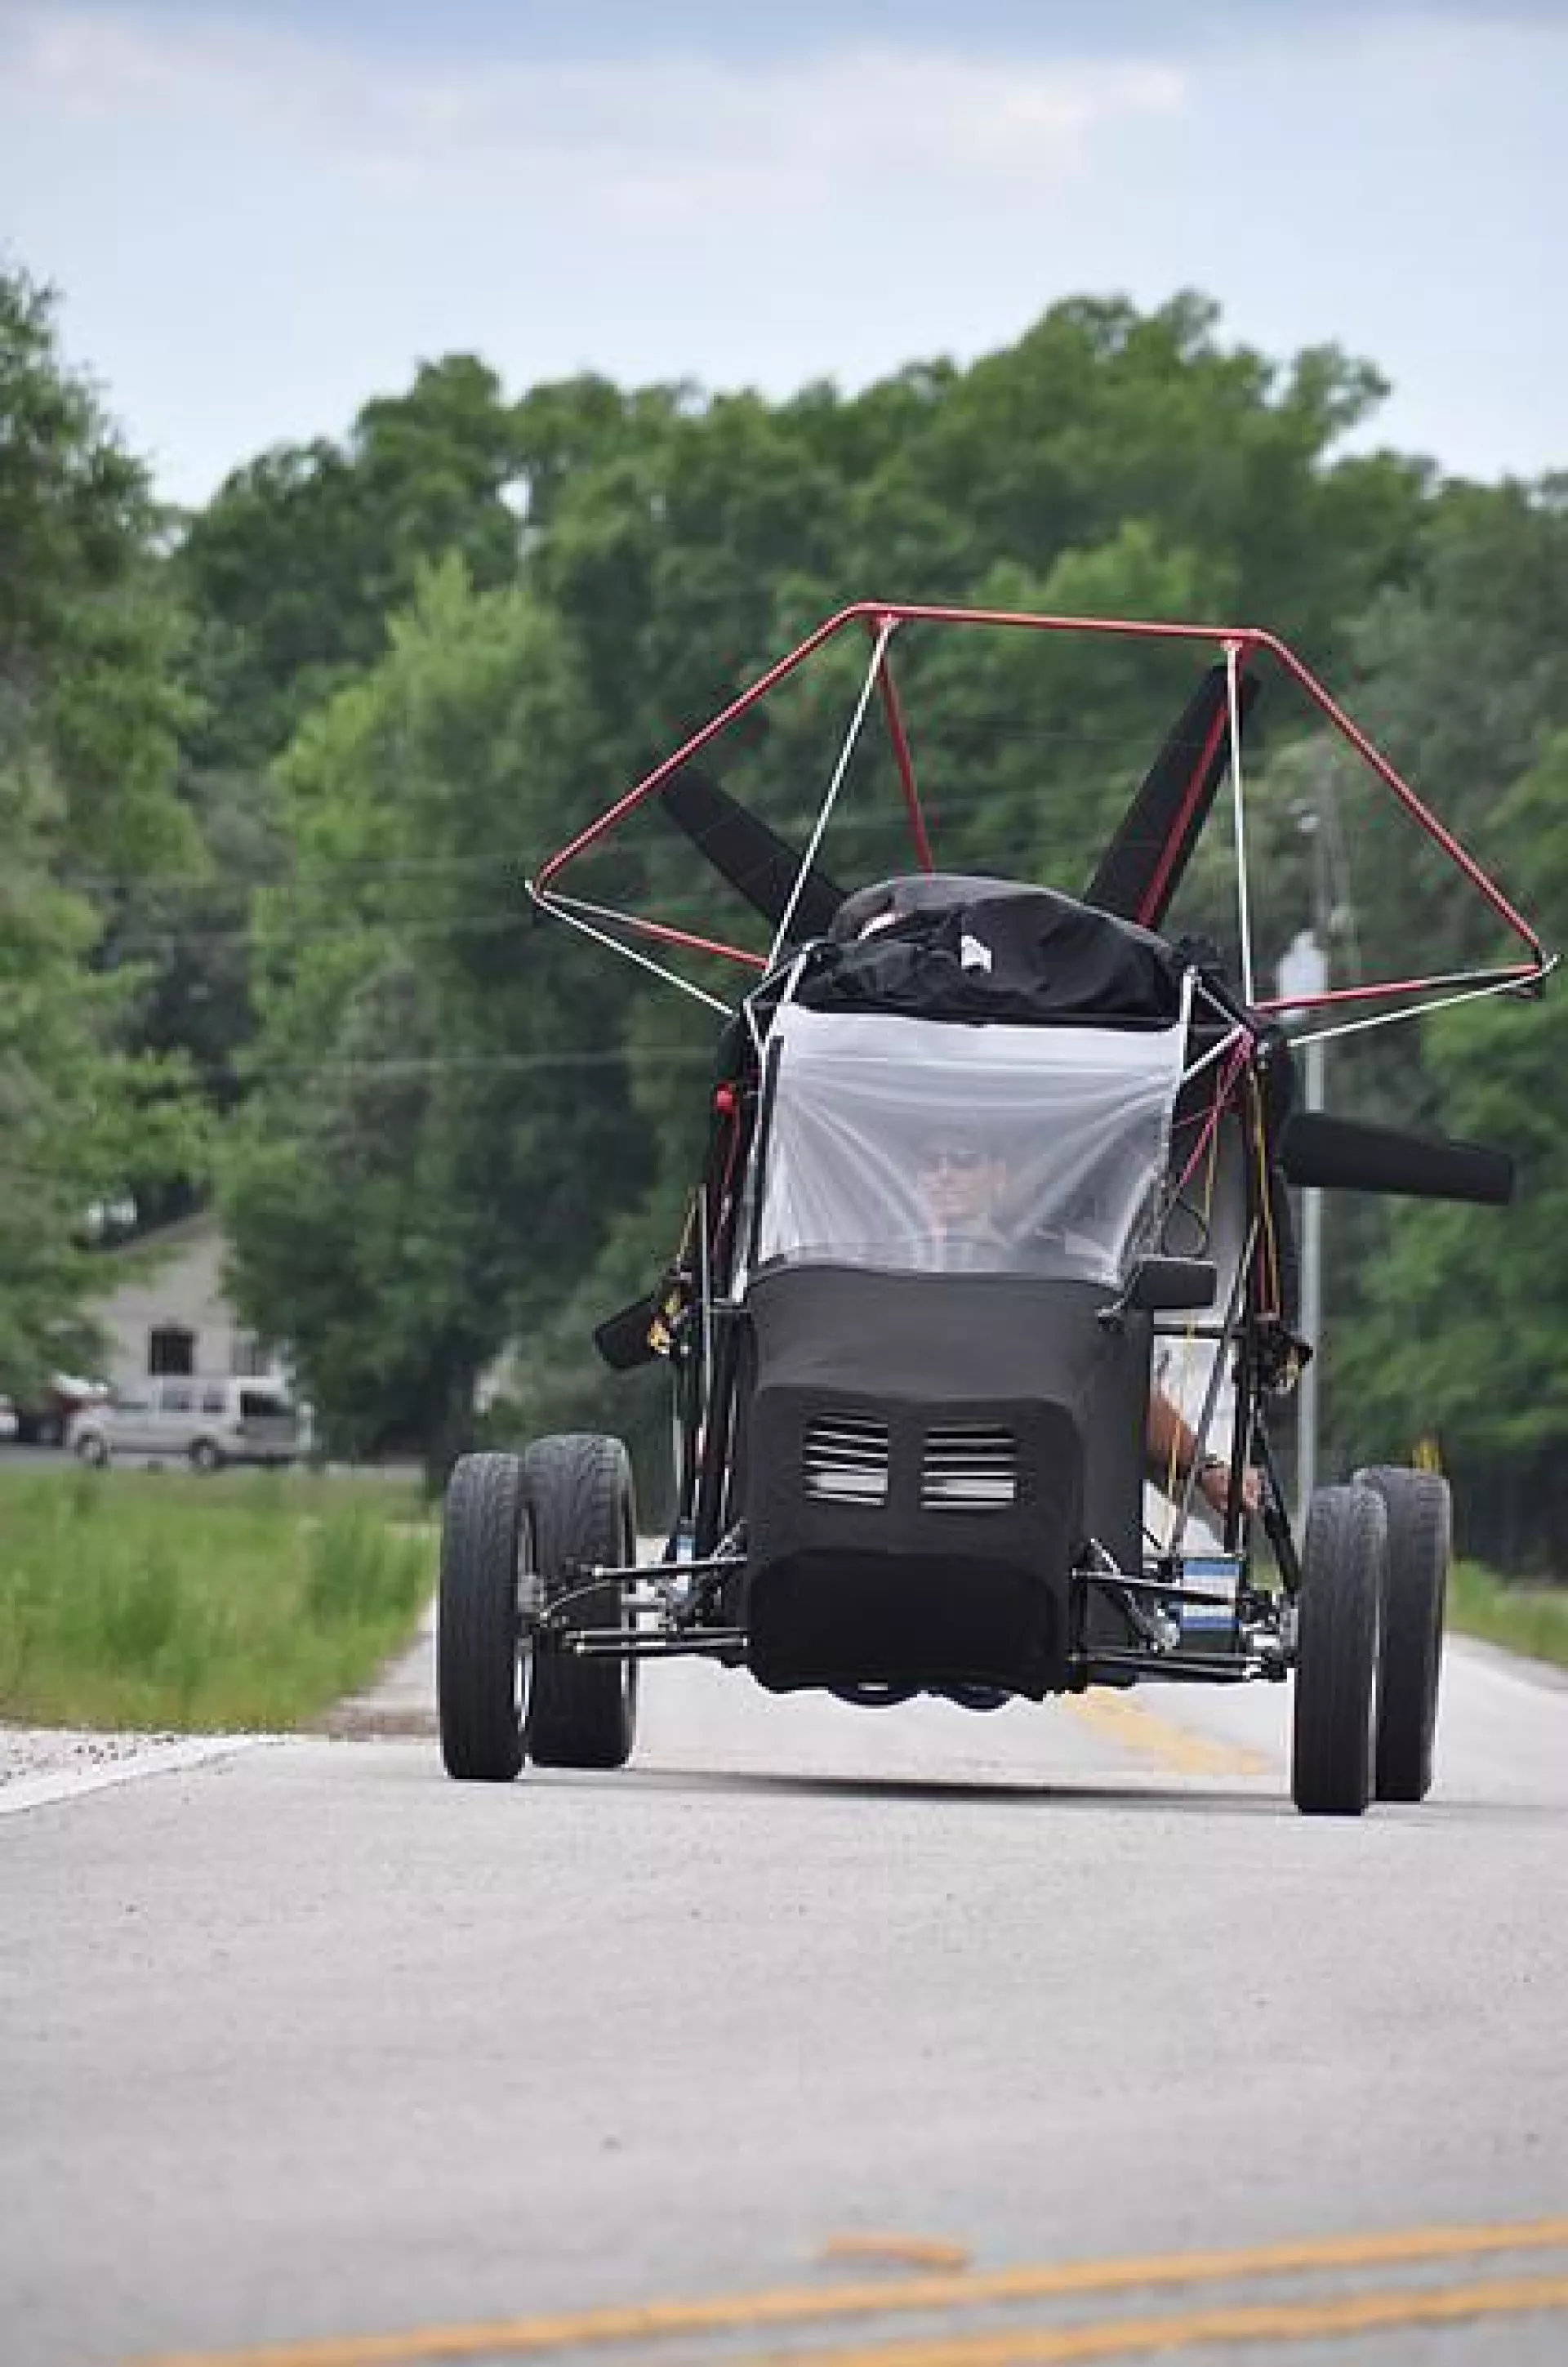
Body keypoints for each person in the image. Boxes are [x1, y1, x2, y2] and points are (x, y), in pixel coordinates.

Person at [911, 1130, 1258, 1522]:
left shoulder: (1065, 1270)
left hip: (1021, 1485)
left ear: (999, 1176)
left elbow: (1125, 1388)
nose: (944, 1174)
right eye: (931, 1163)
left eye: (962, 1159)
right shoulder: (876, 1267)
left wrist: (1207, 1468)